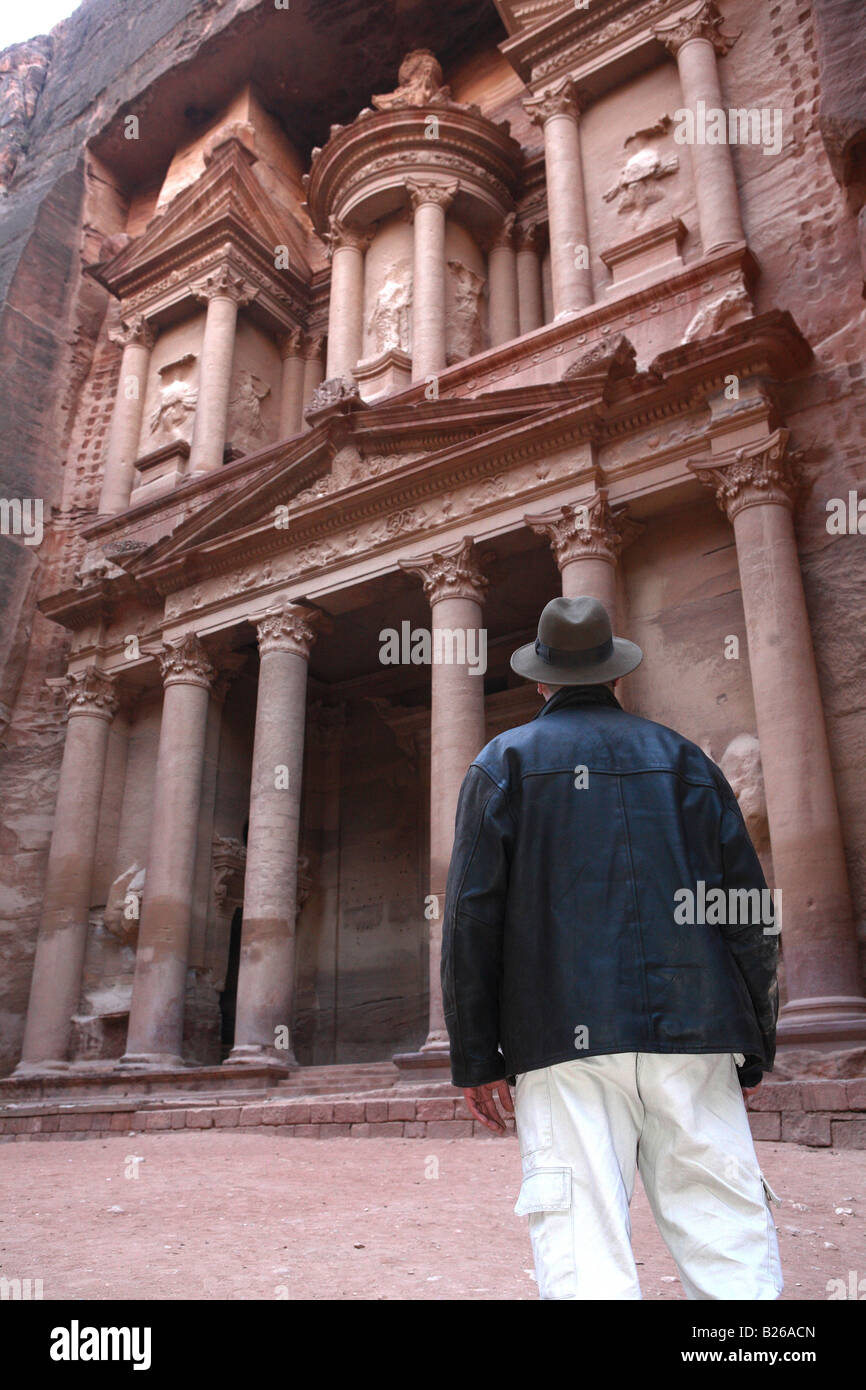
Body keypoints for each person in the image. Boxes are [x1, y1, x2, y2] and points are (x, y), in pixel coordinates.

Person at [441, 595, 782, 1300]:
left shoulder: (503, 762)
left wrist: (476, 1058)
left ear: (540, 680)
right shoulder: (686, 761)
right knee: (725, 1229)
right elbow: (748, 912)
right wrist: (754, 1037)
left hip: (560, 1041)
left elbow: (472, 920)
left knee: (581, 1244)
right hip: (698, 1027)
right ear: (616, 676)